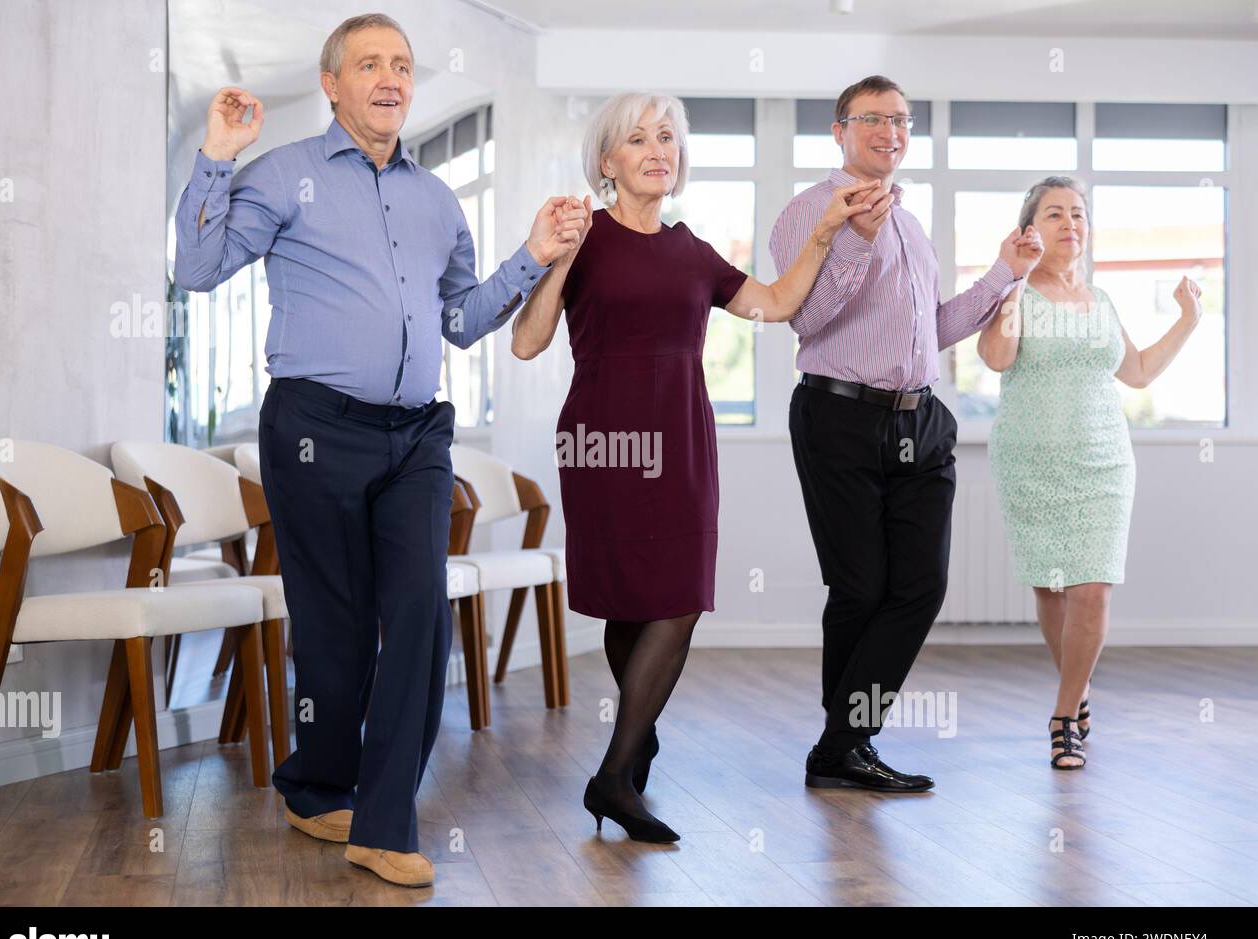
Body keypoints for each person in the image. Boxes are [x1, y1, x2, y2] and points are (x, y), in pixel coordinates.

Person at [173, 13, 587, 886]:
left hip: (416, 438)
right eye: (369, 64)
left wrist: (531, 255)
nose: (391, 77)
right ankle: (316, 782)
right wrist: (216, 152)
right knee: (335, 630)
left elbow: (462, 321)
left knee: (423, 616)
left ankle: (384, 818)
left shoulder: (436, 200)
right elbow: (199, 269)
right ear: (333, 84)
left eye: (402, 64)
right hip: (315, 430)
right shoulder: (283, 174)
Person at [511, 92, 874, 842]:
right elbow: (526, 342)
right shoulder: (588, 237)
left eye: (668, 137)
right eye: (638, 139)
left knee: (678, 598)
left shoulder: (691, 250)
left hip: (680, 440)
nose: (657, 149)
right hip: (602, 443)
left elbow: (772, 304)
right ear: (607, 162)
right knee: (626, 604)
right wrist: (555, 256)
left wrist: (827, 232)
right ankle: (630, 749)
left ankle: (616, 768)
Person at [769, 75, 1043, 792]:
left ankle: (840, 743)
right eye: (873, 119)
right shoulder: (807, 213)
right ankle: (845, 746)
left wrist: (1004, 276)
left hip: (919, 419)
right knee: (859, 587)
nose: (891, 131)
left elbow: (935, 330)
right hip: (838, 414)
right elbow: (808, 318)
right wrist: (853, 240)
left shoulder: (910, 225)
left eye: (902, 120)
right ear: (839, 130)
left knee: (920, 582)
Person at [979, 176, 1202, 769]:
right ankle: (1076, 695)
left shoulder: (1101, 302)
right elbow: (996, 358)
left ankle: (1062, 717)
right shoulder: (1017, 293)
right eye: (1054, 213)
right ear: (1030, 229)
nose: (1070, 223)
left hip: (1103, 460)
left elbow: (1139, 373)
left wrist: (1188, 320)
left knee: (1093, 588)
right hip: (1031, 458)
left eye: (1078, 213)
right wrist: (1014, 280)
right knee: (1053, 591)